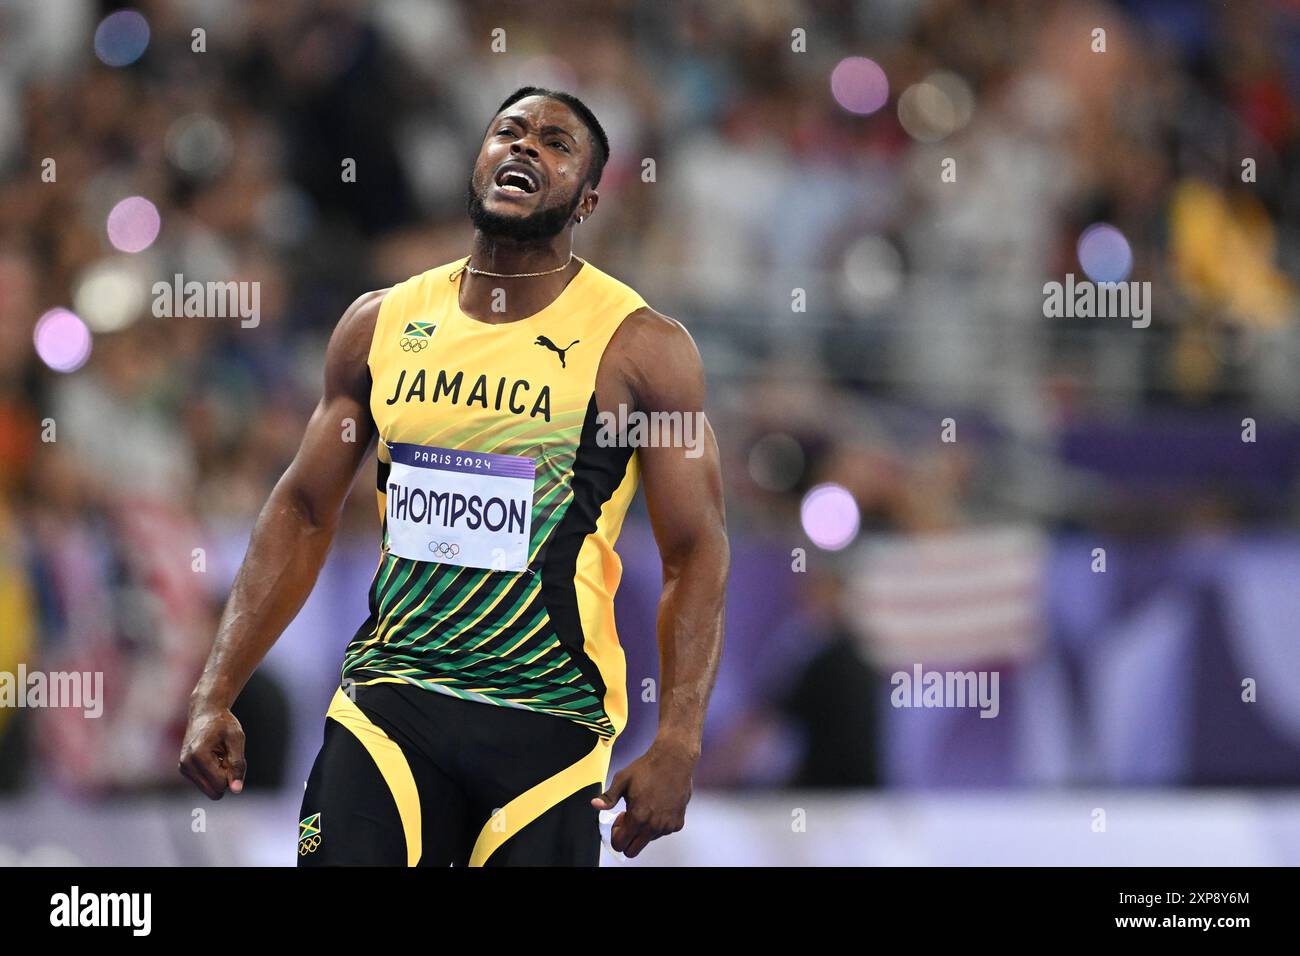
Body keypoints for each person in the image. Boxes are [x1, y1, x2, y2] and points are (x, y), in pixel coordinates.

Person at [179, 87, 730, 866]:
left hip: (549, 725)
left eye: (555, 142)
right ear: (477, 162)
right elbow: (303, 510)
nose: (525, 147)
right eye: (507, 132)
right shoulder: (380, 323)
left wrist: (679, 738)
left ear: (588, 200)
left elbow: (696, 550)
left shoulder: (641, 350)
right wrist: (215, 691)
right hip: (390, 707)